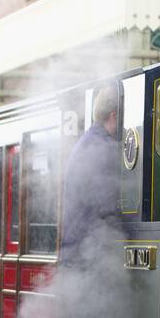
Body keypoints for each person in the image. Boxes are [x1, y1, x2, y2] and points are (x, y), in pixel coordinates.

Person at [58, 85, 121, 262]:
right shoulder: (104, 148)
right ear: (114, 115)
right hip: (90, 252)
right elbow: (107, 207)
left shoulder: (86, 143)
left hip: (77, 248)